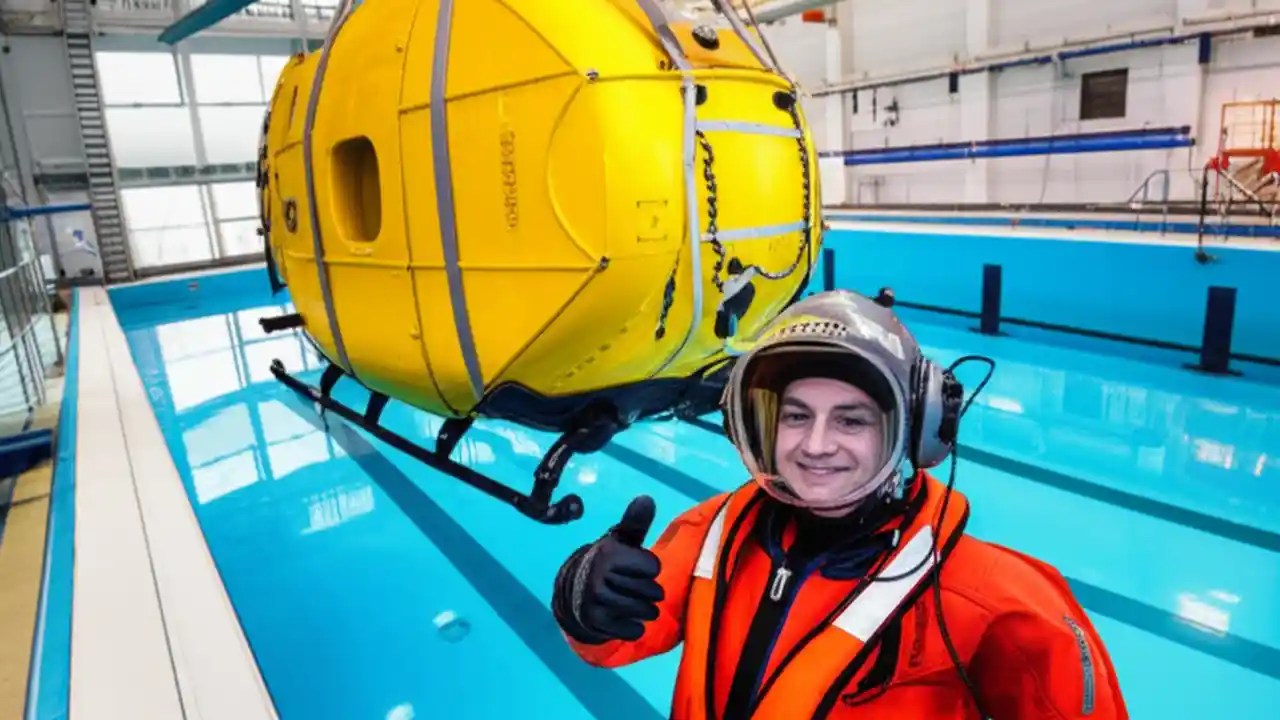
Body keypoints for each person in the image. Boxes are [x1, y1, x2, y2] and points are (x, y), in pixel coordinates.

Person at [550, 290, 1128, 719]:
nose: (816, 445)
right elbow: (615, 642)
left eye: (851, 420)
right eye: (796, 415)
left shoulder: (998, 602)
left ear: (916, 432)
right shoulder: (711, 534)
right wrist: (584, 598)